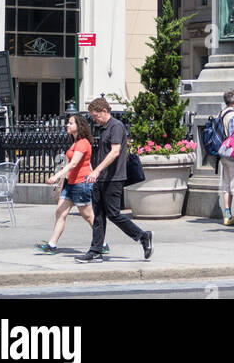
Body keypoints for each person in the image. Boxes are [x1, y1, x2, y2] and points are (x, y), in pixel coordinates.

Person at [75, 98, 153, 263]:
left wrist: (96, 170)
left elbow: (115, 151)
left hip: (114, 178)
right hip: (101, 179)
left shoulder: (116, 126)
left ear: (104, 111)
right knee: (98, 216)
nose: (94, 119)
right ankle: (95, 250)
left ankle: (143, 236)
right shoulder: (103, 128)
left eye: (95, 115)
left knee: (113, 214)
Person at [35, 112, 102, 254]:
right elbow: (86, 162)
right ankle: (51, 245)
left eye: (71, 123)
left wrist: (56, 176)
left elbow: (73, 164)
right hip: (71, 183)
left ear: (79, 126)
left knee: (88, 216)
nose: (67, 125)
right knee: (60, 212)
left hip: (80, 184)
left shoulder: (83, 143)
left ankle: (102, 243)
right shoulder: (76, 143)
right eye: (68, 123)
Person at [219, 89, 234, 228]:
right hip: (232, 153)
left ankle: (227, 214)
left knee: (226, 185)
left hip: (223, 152)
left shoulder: (222, 113)